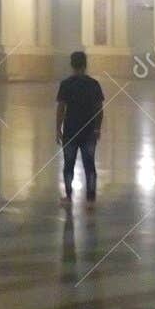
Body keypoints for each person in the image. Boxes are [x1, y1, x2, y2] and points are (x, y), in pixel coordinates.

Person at [55, 50, 104, 203]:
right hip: (89, 131)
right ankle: (91, 199)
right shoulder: (93, 84)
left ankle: (69, 196)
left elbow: (61, 108)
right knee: (89, 166)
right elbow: (99, 109)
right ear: (85, 64)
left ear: (71, 65)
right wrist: (97, 128)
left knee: (68, 166)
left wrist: (58, 129)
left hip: (70, 131)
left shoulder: (66, 84)